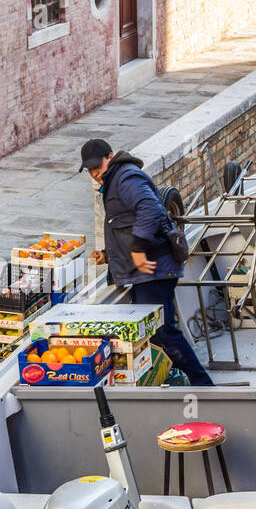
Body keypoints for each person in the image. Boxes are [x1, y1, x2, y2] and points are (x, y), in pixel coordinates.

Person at [80, 138, 214, 386]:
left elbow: (150, 209)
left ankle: (202, 384)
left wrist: (138, 249)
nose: (95, 173)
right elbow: (125, 227)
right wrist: (107, 255)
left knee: (162, 330)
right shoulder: (116, 180)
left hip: (155, 268)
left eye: (96, 166)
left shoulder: (126, 177)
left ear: (109, 156)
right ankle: (170, 376)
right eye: (90, 170)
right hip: (146, 270)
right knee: (154, 331)